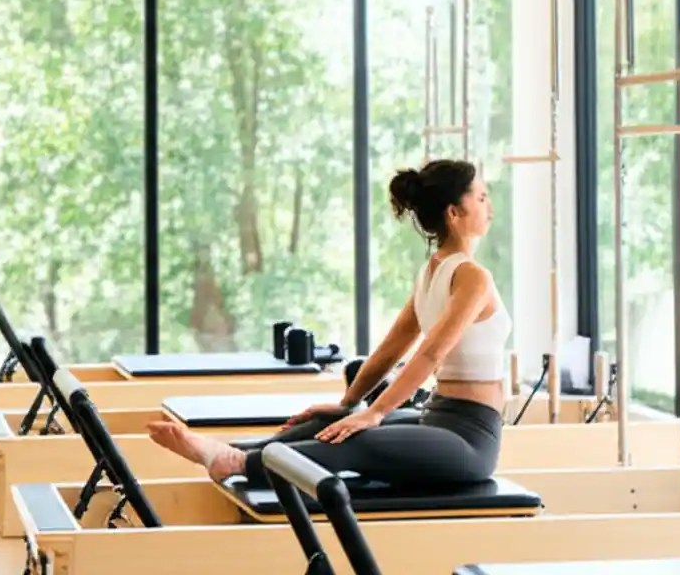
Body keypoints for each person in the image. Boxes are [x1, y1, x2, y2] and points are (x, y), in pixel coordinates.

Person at [147, 159, 512, 487]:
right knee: (338, 427)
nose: (490, 207)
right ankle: (238, 456)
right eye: (481, 198)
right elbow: (420, 353)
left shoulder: (434, 274)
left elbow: (399, 352)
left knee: (354, 435)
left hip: (460, 433)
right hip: (460, 431)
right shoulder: (469, 275)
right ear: (454, 212)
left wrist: (362, 408)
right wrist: (354, 407)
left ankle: (239, 458)